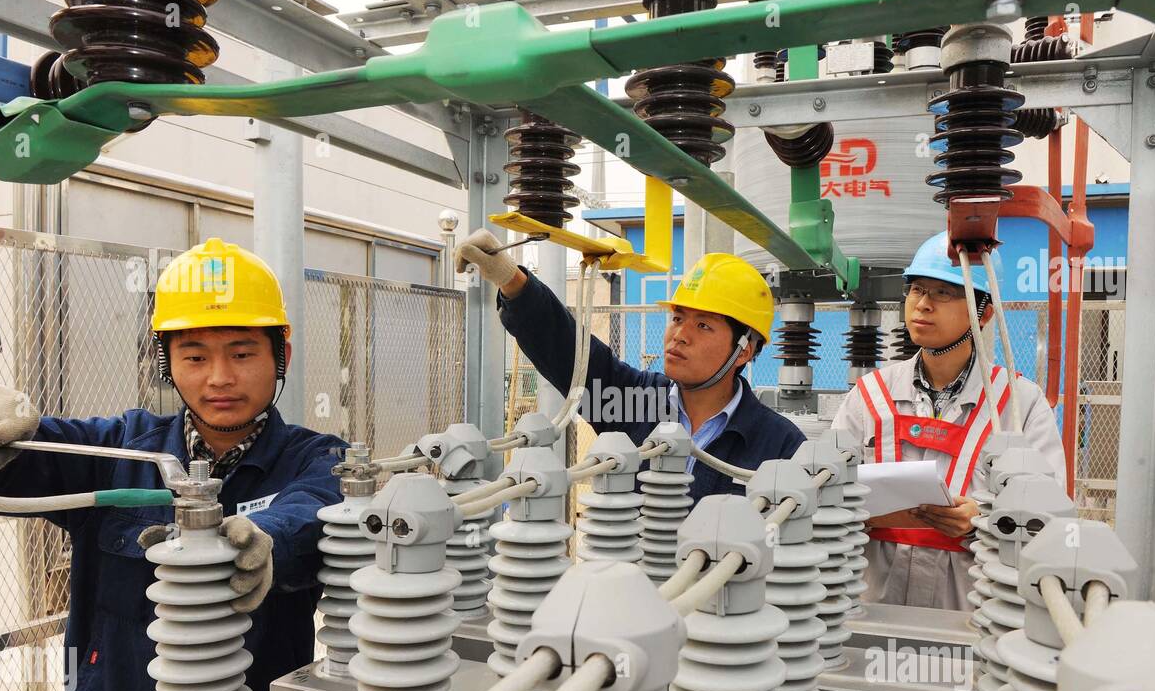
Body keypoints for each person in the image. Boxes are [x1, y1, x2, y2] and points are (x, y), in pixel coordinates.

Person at [0, 238, 345, 691]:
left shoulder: (316, 458)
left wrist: (264, 542)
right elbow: (31, 460)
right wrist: (1, 434)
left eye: (243, 353)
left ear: (282, 355)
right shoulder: (121, 449)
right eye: (194, 356)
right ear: (165, 362)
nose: (219, 378)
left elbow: (312, 511)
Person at [456, 230, 805, 501]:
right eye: (678, 317)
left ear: (744, 350)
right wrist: (510, 278)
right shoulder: (634, 402)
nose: (679, 336)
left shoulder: (780, 445)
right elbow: (570, 354)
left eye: (703, 325)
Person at [831, 232, 1065, 611]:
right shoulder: (869, 397)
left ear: (984, 313)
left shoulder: (1019, 405)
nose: (922, 304)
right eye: (916, 289)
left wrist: (984, 519)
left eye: (944, 293)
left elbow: (1050, 512)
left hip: (973, 614)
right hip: (873, 609)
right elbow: (826, 497)